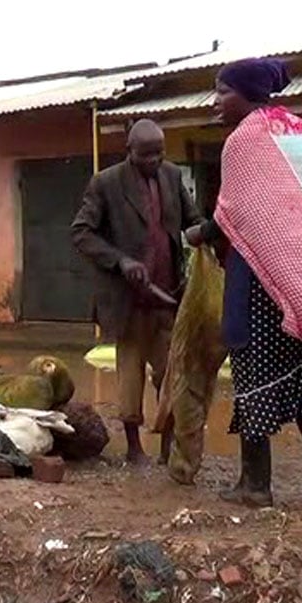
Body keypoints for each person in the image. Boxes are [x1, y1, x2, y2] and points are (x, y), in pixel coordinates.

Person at [185, 58, 302, 508]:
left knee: (252, 377)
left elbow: (236, 214)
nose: (216, 101)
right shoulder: (297, 130)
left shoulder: (245, 140)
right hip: (294, 282)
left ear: (247, 93)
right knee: (300, 382)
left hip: (256, 280)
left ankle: (256, 486)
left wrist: (200, 234)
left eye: (222, 91)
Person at [72, 119, 202, 466]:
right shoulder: (106, 183)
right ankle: (133, 448)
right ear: (130, 151)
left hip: (168, 296)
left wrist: (213, 232)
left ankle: (167, 446)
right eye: (147, 155)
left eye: (160, 153)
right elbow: (82, 233)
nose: (155, 160)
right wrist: (121, 262)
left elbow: (191, 220)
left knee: (171, 373)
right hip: (128, 301)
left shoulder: (172, 176)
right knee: (130, 375)